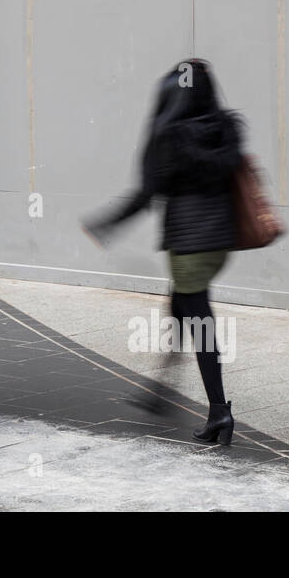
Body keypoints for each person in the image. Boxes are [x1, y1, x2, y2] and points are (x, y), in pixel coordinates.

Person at [84, 59, 243, 445]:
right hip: (219, 243)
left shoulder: (171, 136)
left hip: (188, 245)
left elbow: (146, 193)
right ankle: (161, 390)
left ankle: (219, 411)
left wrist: (105, 224)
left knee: (199, 321)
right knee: (180, 308)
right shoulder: (226, 127)